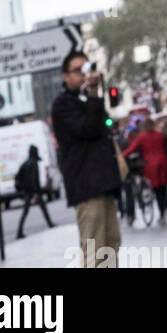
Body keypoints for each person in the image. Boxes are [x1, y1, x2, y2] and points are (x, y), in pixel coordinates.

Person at [51, 50, 122, 267]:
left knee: (111, 244)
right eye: (77, 71)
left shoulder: (86, 99)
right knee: (95, 250)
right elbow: (88, 128)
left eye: (86, 69)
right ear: (65, 76)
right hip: (86, 186)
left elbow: (103, 126)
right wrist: (93, 92)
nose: (84, 75)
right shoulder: (63, 104)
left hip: (103, 183)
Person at [121, 117, 167, 222]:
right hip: (163, 162)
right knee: (164, 187)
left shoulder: (142, 137)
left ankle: (162, 211)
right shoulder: (159, 135)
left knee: (157, 189)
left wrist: (121, 156)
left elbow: (131, 148)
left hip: (151, 164)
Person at [13, 144, 54, 240]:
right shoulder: (33, 164)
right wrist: (35, 192)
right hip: (32, 191)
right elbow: (33, 179)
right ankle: (49, 224)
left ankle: (19, 231)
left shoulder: (26, 163)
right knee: (39, 209)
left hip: (28, 191)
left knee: (27, 211)